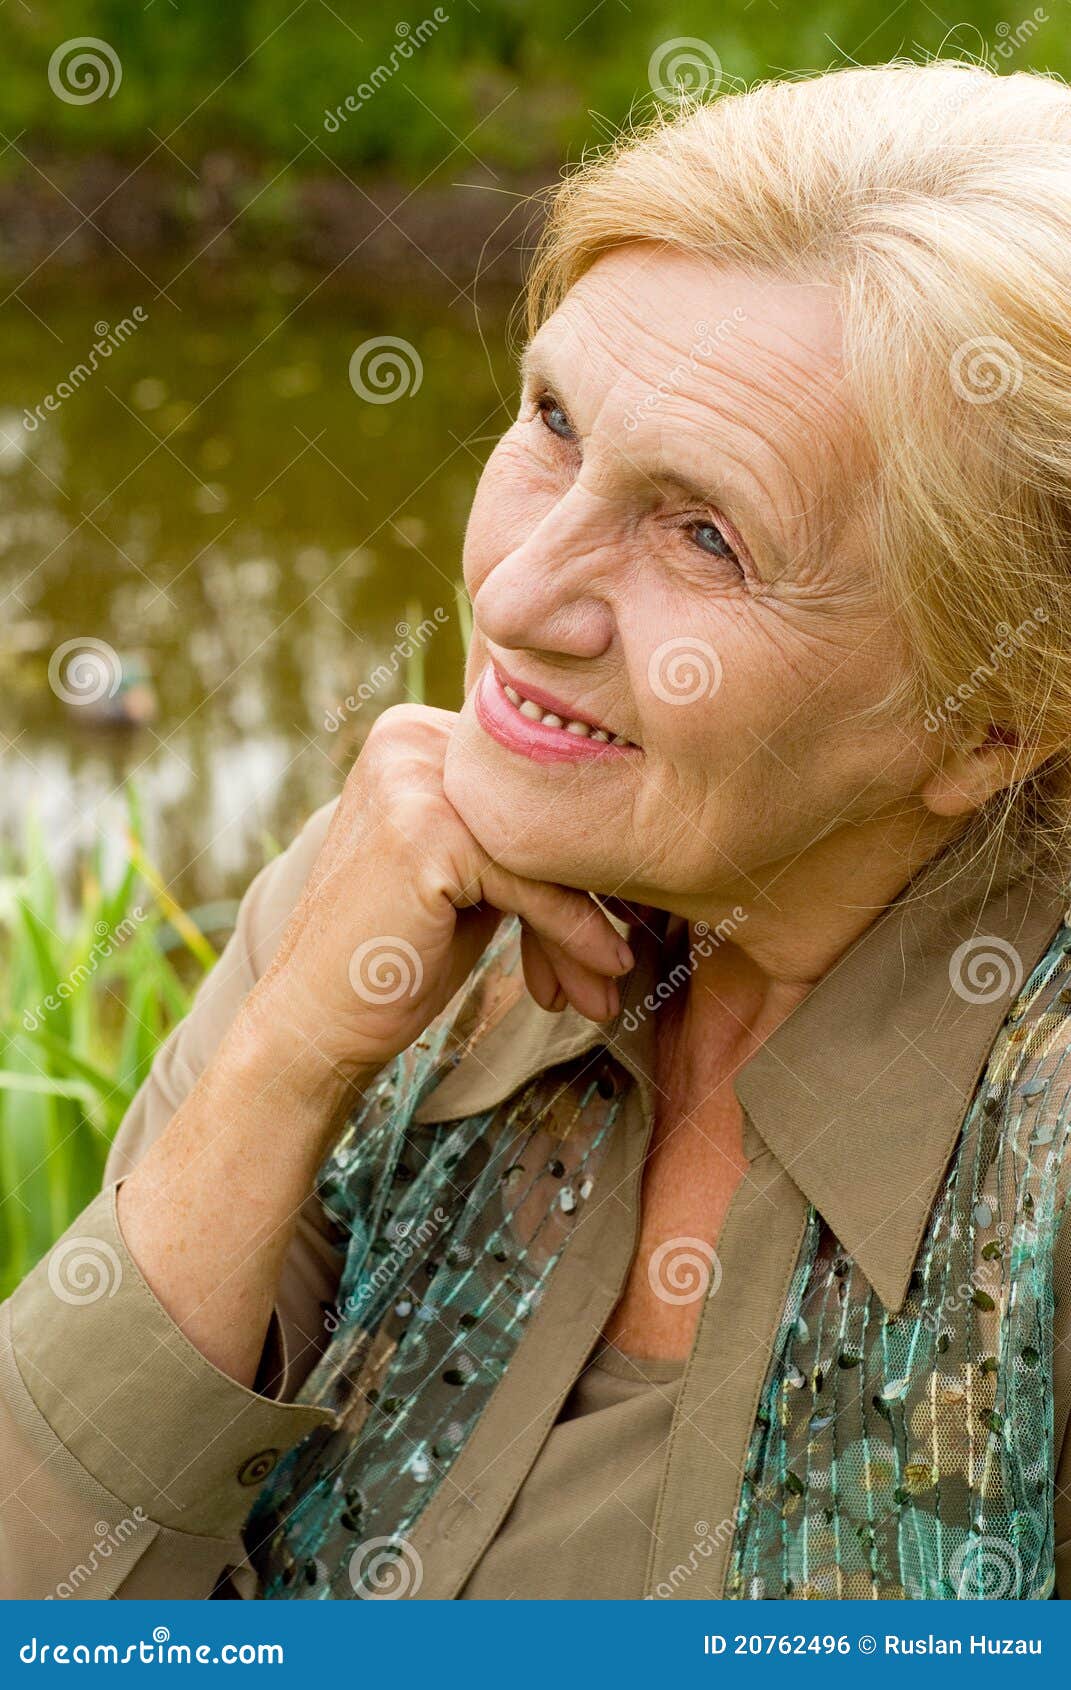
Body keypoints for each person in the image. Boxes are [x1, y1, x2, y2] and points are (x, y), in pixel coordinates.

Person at [5, 57, 1071, 1601]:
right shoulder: (386, 883)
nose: (508, 595)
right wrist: (289, 1058)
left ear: (989, 719)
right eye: (554, 421)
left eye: (705, 533)